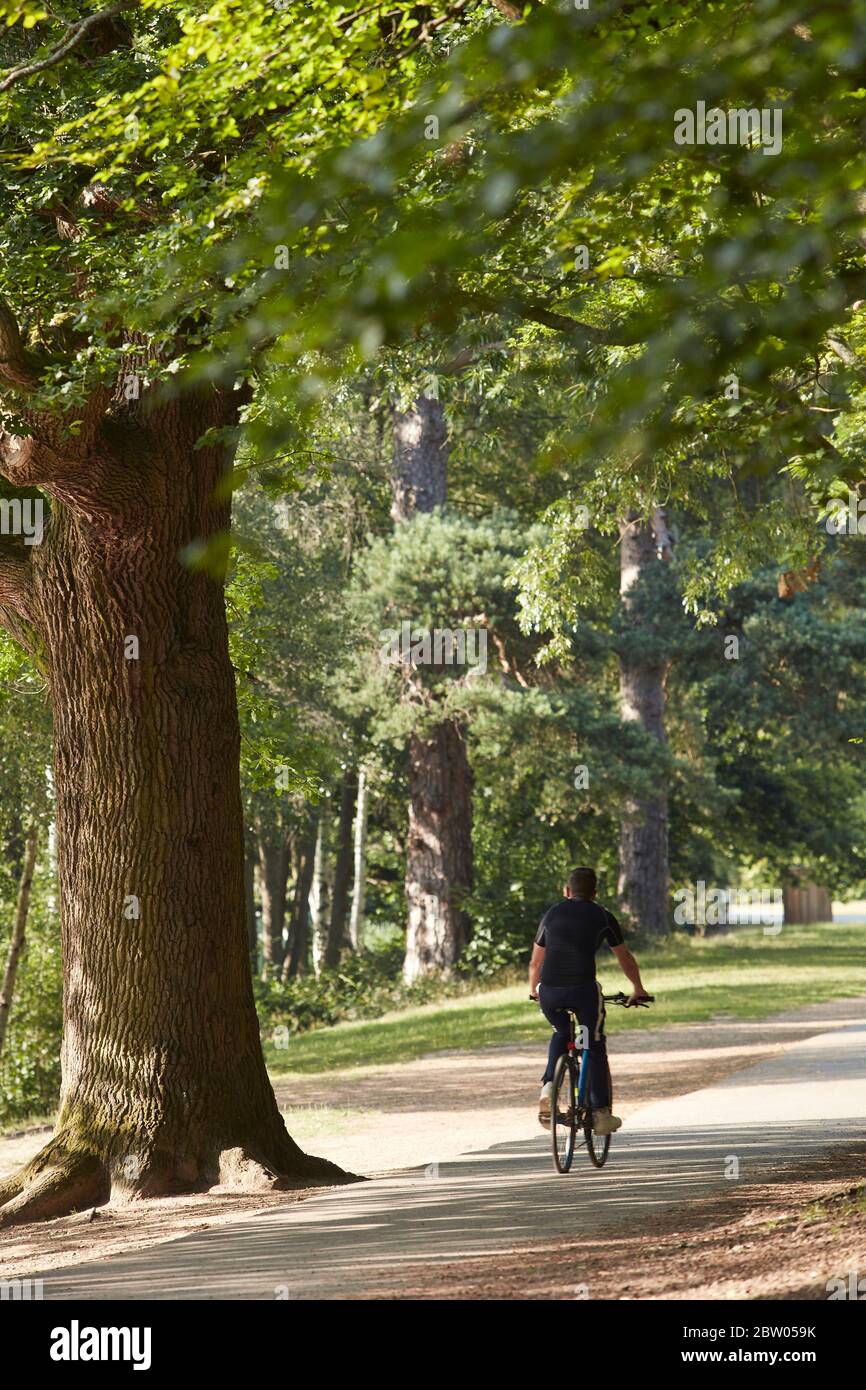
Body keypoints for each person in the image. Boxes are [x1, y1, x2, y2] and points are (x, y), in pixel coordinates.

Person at [528, 865, 650, 1135]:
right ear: (595, 893)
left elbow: (536, 962)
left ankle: (548, 1085)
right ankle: (601, 1113)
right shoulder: (602, 915)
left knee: (562, 1031)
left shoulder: (551, 913)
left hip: (549, 991)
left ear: (567, 891)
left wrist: (534, 990)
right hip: (583, 989)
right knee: (593, 1043)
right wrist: (638, 988)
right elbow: (624, 957)